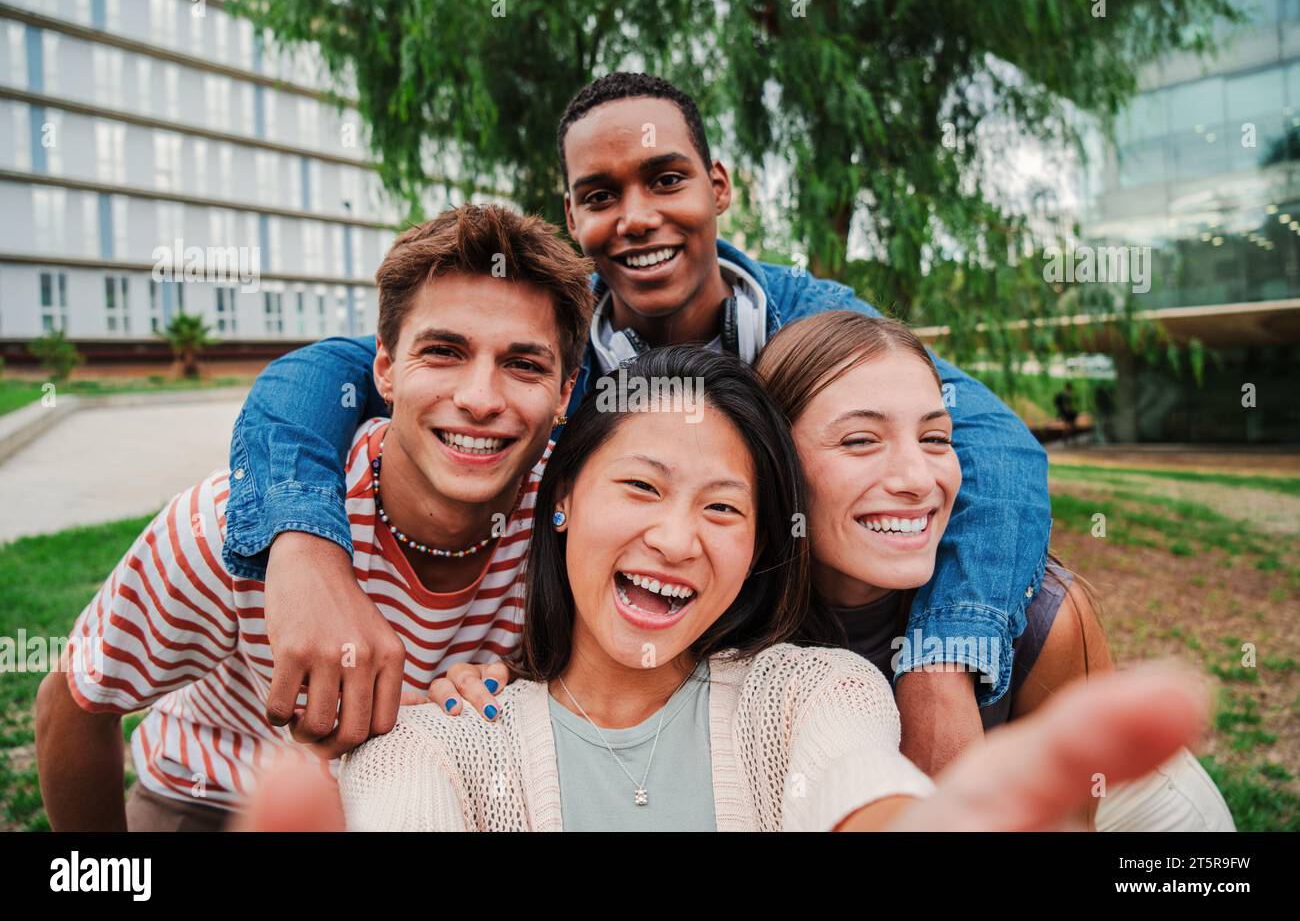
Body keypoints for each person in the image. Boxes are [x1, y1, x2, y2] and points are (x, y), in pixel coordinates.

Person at [224, 72, 1052, 774]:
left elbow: (995, 445)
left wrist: (941, 664)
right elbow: (317, 377)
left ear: (718, 186)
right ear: (572, 214)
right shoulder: (548, 348)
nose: (636, 218)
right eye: (600, 195)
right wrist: (304, 549)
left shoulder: (813, 324)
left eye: (666, 179)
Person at [336, 346, 1210, 832]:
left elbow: (856, 783)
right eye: (640, 487)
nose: (675, 539)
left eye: (723, 506)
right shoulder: (433, 742)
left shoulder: (814, 689)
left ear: (763, 536)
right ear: (561, 497)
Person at [33, 204, 595, 829]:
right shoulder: (224, 526)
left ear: (566, 392)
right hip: (217, 799)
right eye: (442, 352)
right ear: (383, 368)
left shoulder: (579, 521)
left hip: (434, 802)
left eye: (523, 364)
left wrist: (509, 684)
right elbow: (76, 701)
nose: (480, 399)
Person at [754, 310, 1234, 830]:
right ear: (774, 459)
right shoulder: (723, 622)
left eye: (936, 439)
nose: (918, 479)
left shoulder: (1050, 619)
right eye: (861, 440)